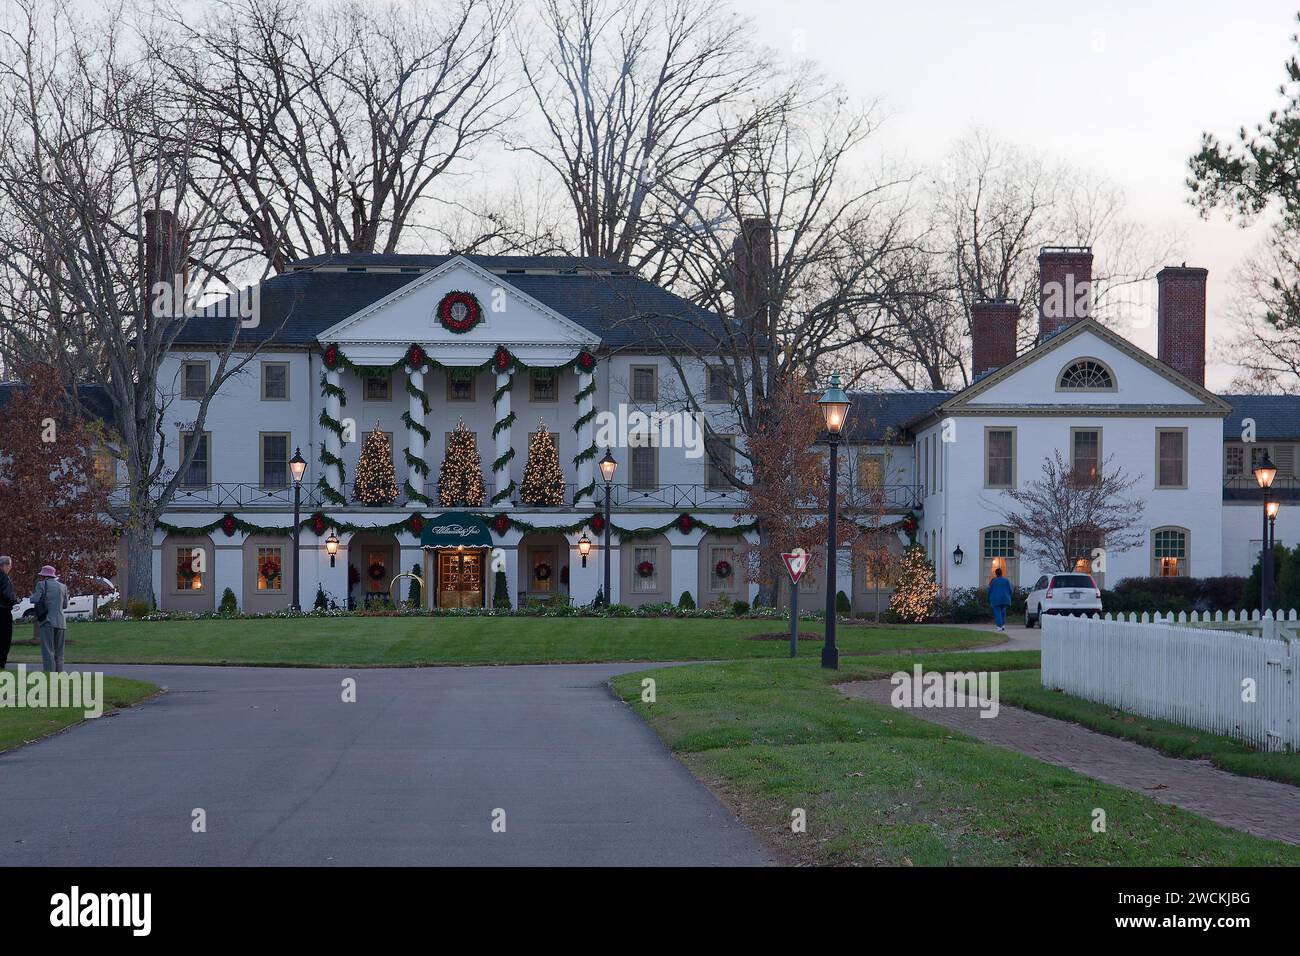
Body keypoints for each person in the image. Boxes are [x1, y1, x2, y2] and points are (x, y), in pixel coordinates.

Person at [31, 565, 69, 673]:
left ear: (44, 576)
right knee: (59, 652)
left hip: (47, 621)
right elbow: (65, 605)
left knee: (48, 650)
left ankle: (49, 673)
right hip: (61, 622)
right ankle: (59, 673)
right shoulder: (63, 586)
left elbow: (35, 599)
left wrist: (31, 596)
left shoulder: (41, 584)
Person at [0, 556, 16, 669]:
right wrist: (14, 600)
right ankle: (1, 663)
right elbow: (7, 594)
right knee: (4, 638)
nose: (10, 568)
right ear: (4, 565)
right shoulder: (4, 578)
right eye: (9, 565)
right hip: (3, 609)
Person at [988, 566, 1013, 633]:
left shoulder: (993, 581)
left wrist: (989, 597)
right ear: (1002, 573)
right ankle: (1003, 625)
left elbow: (989, 590)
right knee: (1003, 612)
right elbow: (1010, 590)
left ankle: (999, 626)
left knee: (997, 612)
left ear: (996, 574)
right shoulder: (1006, 580)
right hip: (1005, 599)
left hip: (996, 599)